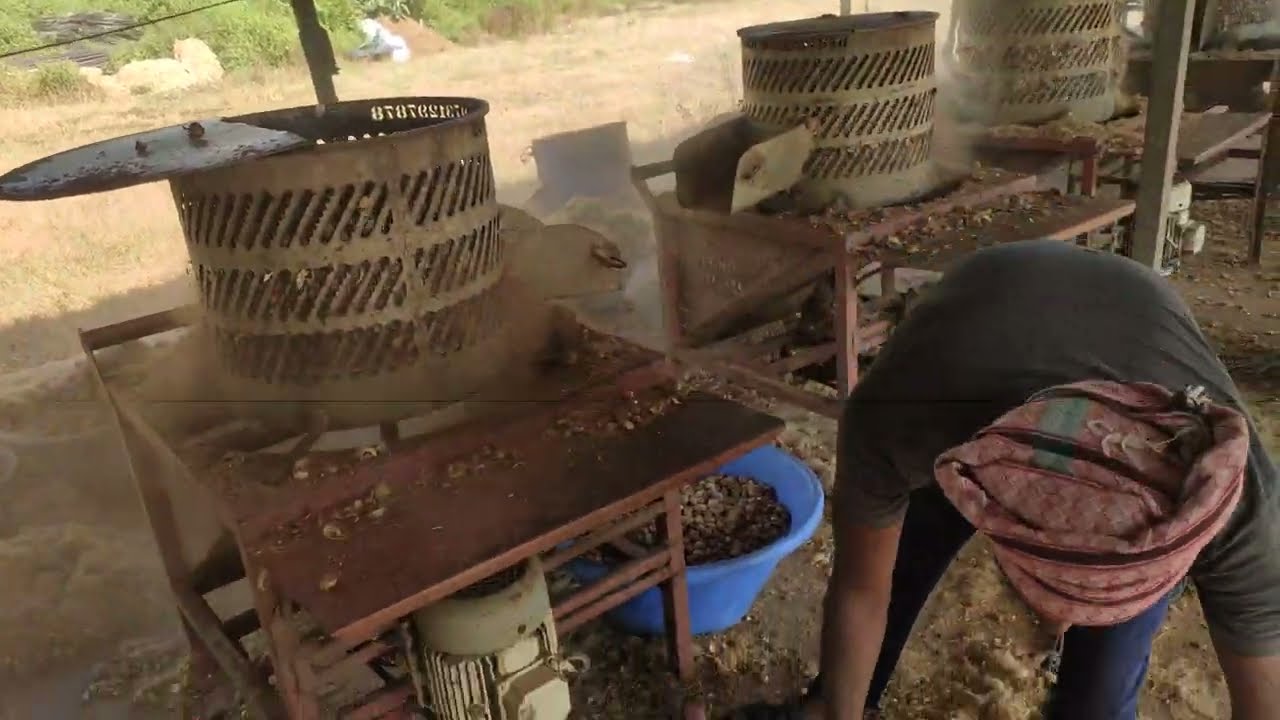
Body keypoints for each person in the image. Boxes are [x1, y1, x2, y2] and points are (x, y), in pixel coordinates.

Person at [730, 239, 1280, 720]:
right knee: (901, 558)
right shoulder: (901, 421)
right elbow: (859, 588)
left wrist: (1086, 607)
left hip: (1128, 308)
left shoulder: (1241, 510)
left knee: (1097, 697)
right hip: (984, 321)